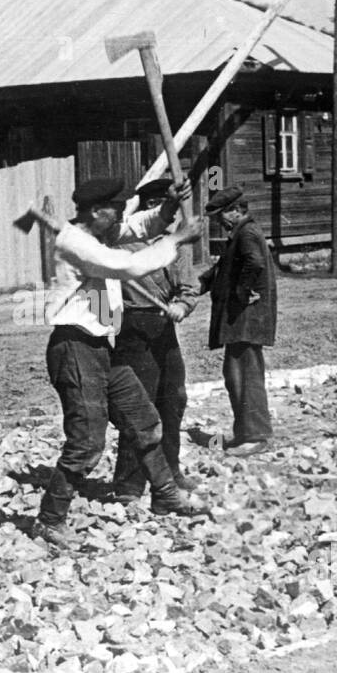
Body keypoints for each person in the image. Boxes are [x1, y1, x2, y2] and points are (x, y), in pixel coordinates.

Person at [33, 176, 207, 549]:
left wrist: (169, 208)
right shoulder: (76, 243)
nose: (121, 215)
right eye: (116, 208)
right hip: (74, 348)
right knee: (87, 443)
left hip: (99, 346)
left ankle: (165, 494)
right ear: (96, 211)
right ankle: (50, 519)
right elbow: (125, 266)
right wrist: (176, 240)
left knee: (144, 421)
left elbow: (140, 226)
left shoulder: (97, 232)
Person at [110, 178, 200, 501]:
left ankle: (171, 472)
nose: (166, 214)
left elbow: (189, 287)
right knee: (139, 405)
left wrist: (182, 305)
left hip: (164, 327)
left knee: (173, 399)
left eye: (169, 207)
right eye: (158, 206)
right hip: (133, 327)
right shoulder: (123, 243)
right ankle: (128, 485)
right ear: (147, 209)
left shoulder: (177, 244)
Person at [197, 186, 276, 456]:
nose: (220, 221)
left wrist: (243, 293)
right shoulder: (239, 235)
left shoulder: (247, 234)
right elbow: (222, 269)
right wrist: (197, 286)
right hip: (238, 321)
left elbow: (254, 264)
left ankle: (256, 436)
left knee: (248, 376)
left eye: (223, 215)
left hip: (246, 320)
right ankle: (244, 432)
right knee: (235, 377)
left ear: (237, 210)